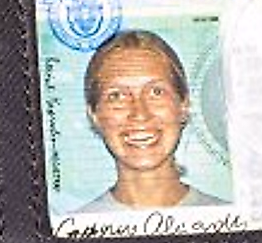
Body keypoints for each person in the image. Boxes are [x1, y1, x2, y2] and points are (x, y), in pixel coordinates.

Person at [77, 29, 227, 212]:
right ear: (94, 115)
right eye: (117, 96)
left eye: (156, 92)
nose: (140, 114)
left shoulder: (232, 219)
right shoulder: (72, 225)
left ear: (183, 106)